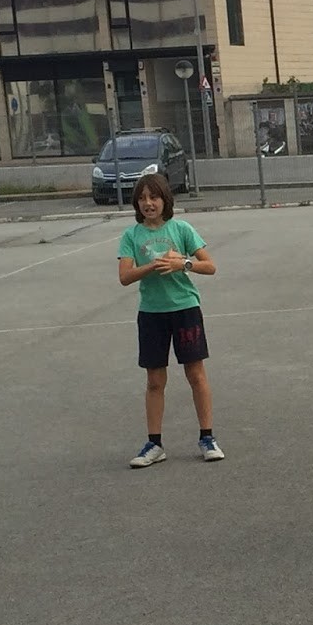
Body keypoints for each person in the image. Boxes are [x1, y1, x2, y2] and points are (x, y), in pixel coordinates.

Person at [116, 173, 224, 467]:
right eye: (142, 198)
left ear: (165, 200)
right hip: (151, 314)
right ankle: (155, 444)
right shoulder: (131, 236)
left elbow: (210, 266)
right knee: (154, 380)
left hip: (185, 309)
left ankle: (207, 437)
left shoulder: (182, 228)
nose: (148, 203)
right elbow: (125, 277)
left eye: (154, 197)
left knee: (195, 373)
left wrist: (182, 263)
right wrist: (151, 265)